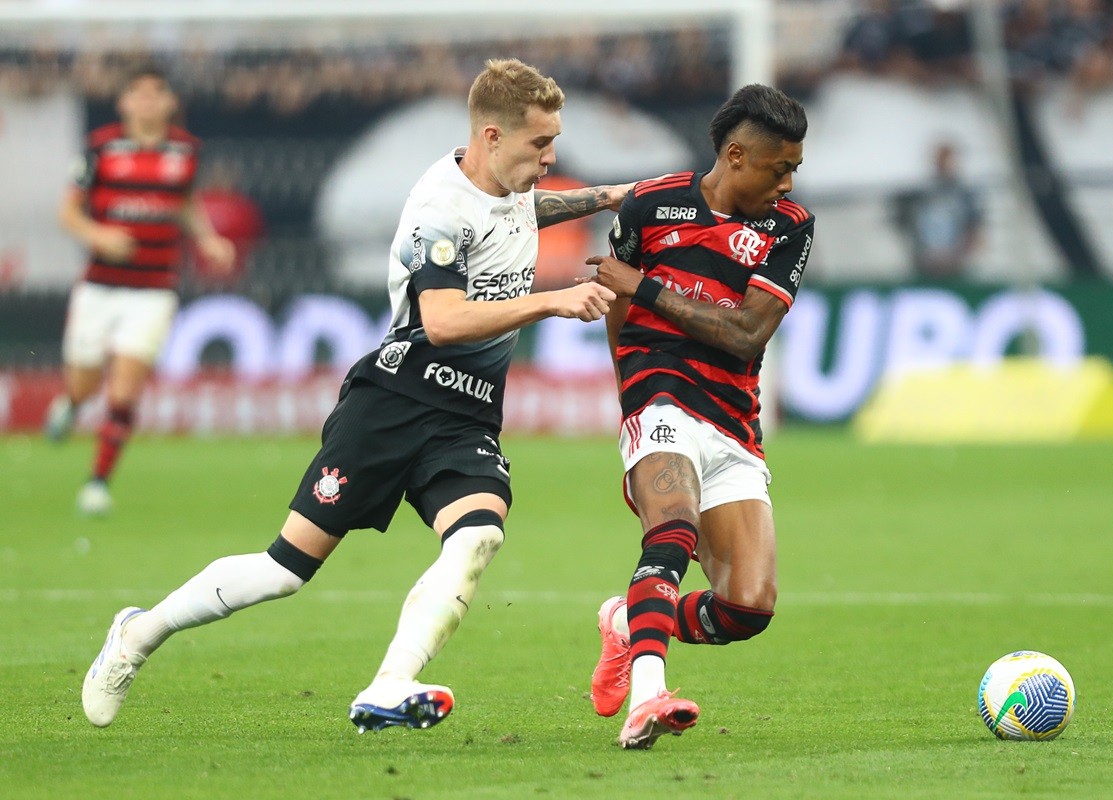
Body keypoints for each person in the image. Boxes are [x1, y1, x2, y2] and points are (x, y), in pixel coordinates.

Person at [80, 58, 626, 732]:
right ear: (490, 136)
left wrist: (604, 196)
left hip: (465, 415)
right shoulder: (438, 210)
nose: (551, 156)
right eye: (540, 144)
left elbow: (519, 211)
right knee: (285, 570)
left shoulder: (501, 184)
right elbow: (444, 321)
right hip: (393, 402)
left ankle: (390, 684)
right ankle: (137, 634)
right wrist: (554, 300)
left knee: (478, 535)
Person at [584, 84, 815, 749]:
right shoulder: (650, 206)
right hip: (659, 399)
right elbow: (619, 313)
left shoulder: (788, 227)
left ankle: (629, 623)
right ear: (737, 155)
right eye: (781, 167)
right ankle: (648, 699)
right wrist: (632, 393)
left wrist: (649, 286)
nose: (789, 181)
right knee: (672, 529)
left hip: (733, 420)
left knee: (746, 608)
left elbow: (746, 335)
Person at [45, 64, 237, 516]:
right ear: (124, 102)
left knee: (125, 389)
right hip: (99, 287)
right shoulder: (101, 148)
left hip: (154, 288)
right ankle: (71, 404)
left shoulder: (186, 152)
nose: (148, 101)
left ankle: (97, 483)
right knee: (84, 383)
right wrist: (99, 236)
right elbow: (68, 213)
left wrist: (208, 238)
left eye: (157, 93)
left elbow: (185, 204)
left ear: (170, 102)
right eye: (139, 93)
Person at [893, 140, 982, 280]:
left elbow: (974, 229)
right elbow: (906, 225)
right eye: (940, 159)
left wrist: (958, 255)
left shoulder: (964, 195)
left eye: (947, 160)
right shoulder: (920, 195)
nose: (944, 164)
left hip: (956, 266)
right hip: (925, 264)